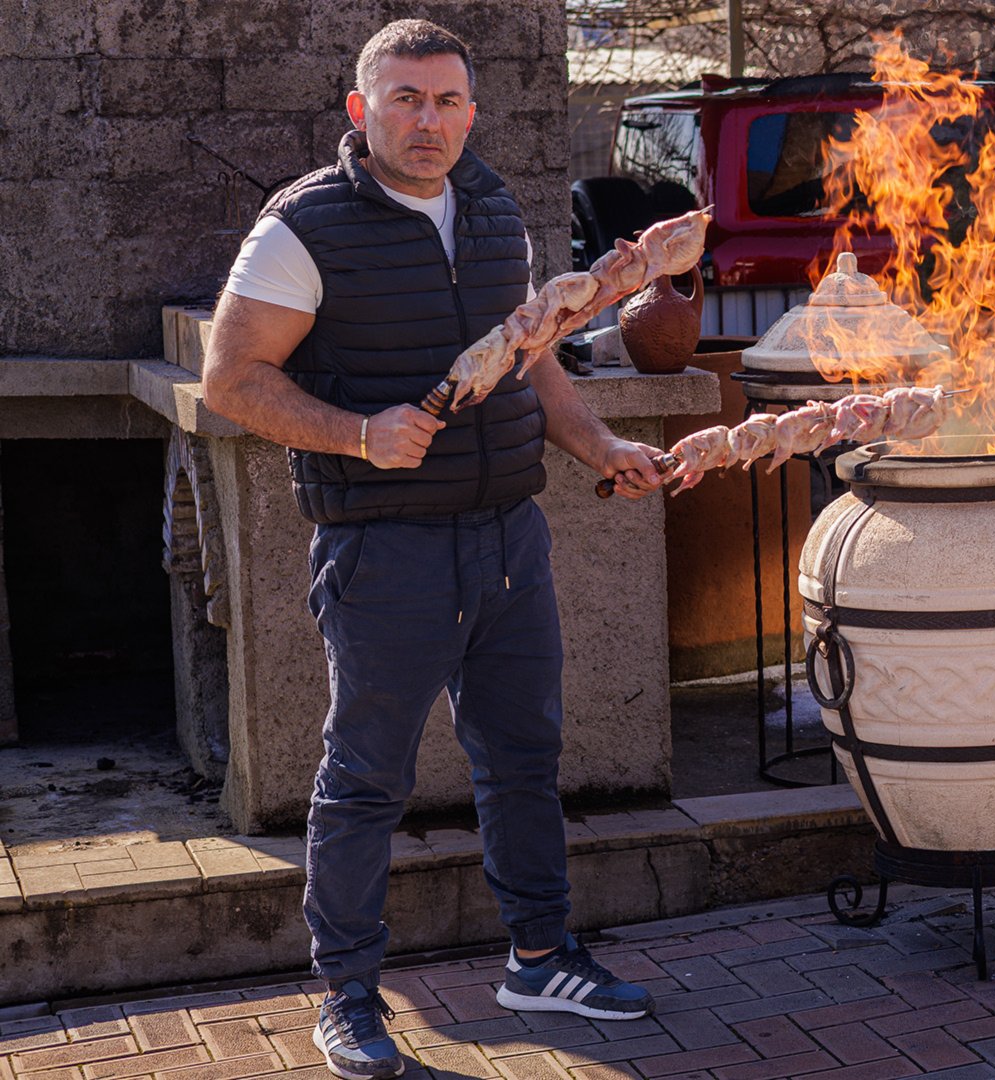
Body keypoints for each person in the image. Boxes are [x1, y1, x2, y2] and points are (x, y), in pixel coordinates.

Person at [202, 20, 675, 1080]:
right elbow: (232, 384)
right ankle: (350, 996)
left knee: (521, 760)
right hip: (386, 551)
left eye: (449, 101)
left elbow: (533, 358)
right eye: (406, 100)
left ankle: (542, 957)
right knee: (365, 779)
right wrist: (357, 432)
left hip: (509, 532)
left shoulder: (498, 207)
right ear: (361, 113)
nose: (430, 121)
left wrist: (602, 446)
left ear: (473, 110)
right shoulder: (304, 226)